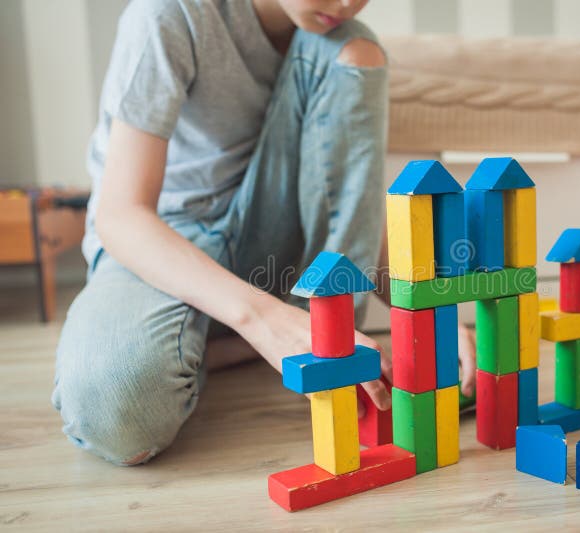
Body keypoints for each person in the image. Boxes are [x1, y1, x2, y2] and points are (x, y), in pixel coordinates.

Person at [53, 0, 476, 467]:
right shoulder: (169, 15)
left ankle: (241, 340)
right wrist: (263, 321)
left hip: (273, 250)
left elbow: (348, 204)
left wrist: (427, 308)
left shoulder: (337, 44)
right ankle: (237, 340)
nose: (347, 3)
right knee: (115, 414)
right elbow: (121, 215)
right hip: (162, 247)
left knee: (355, 50)